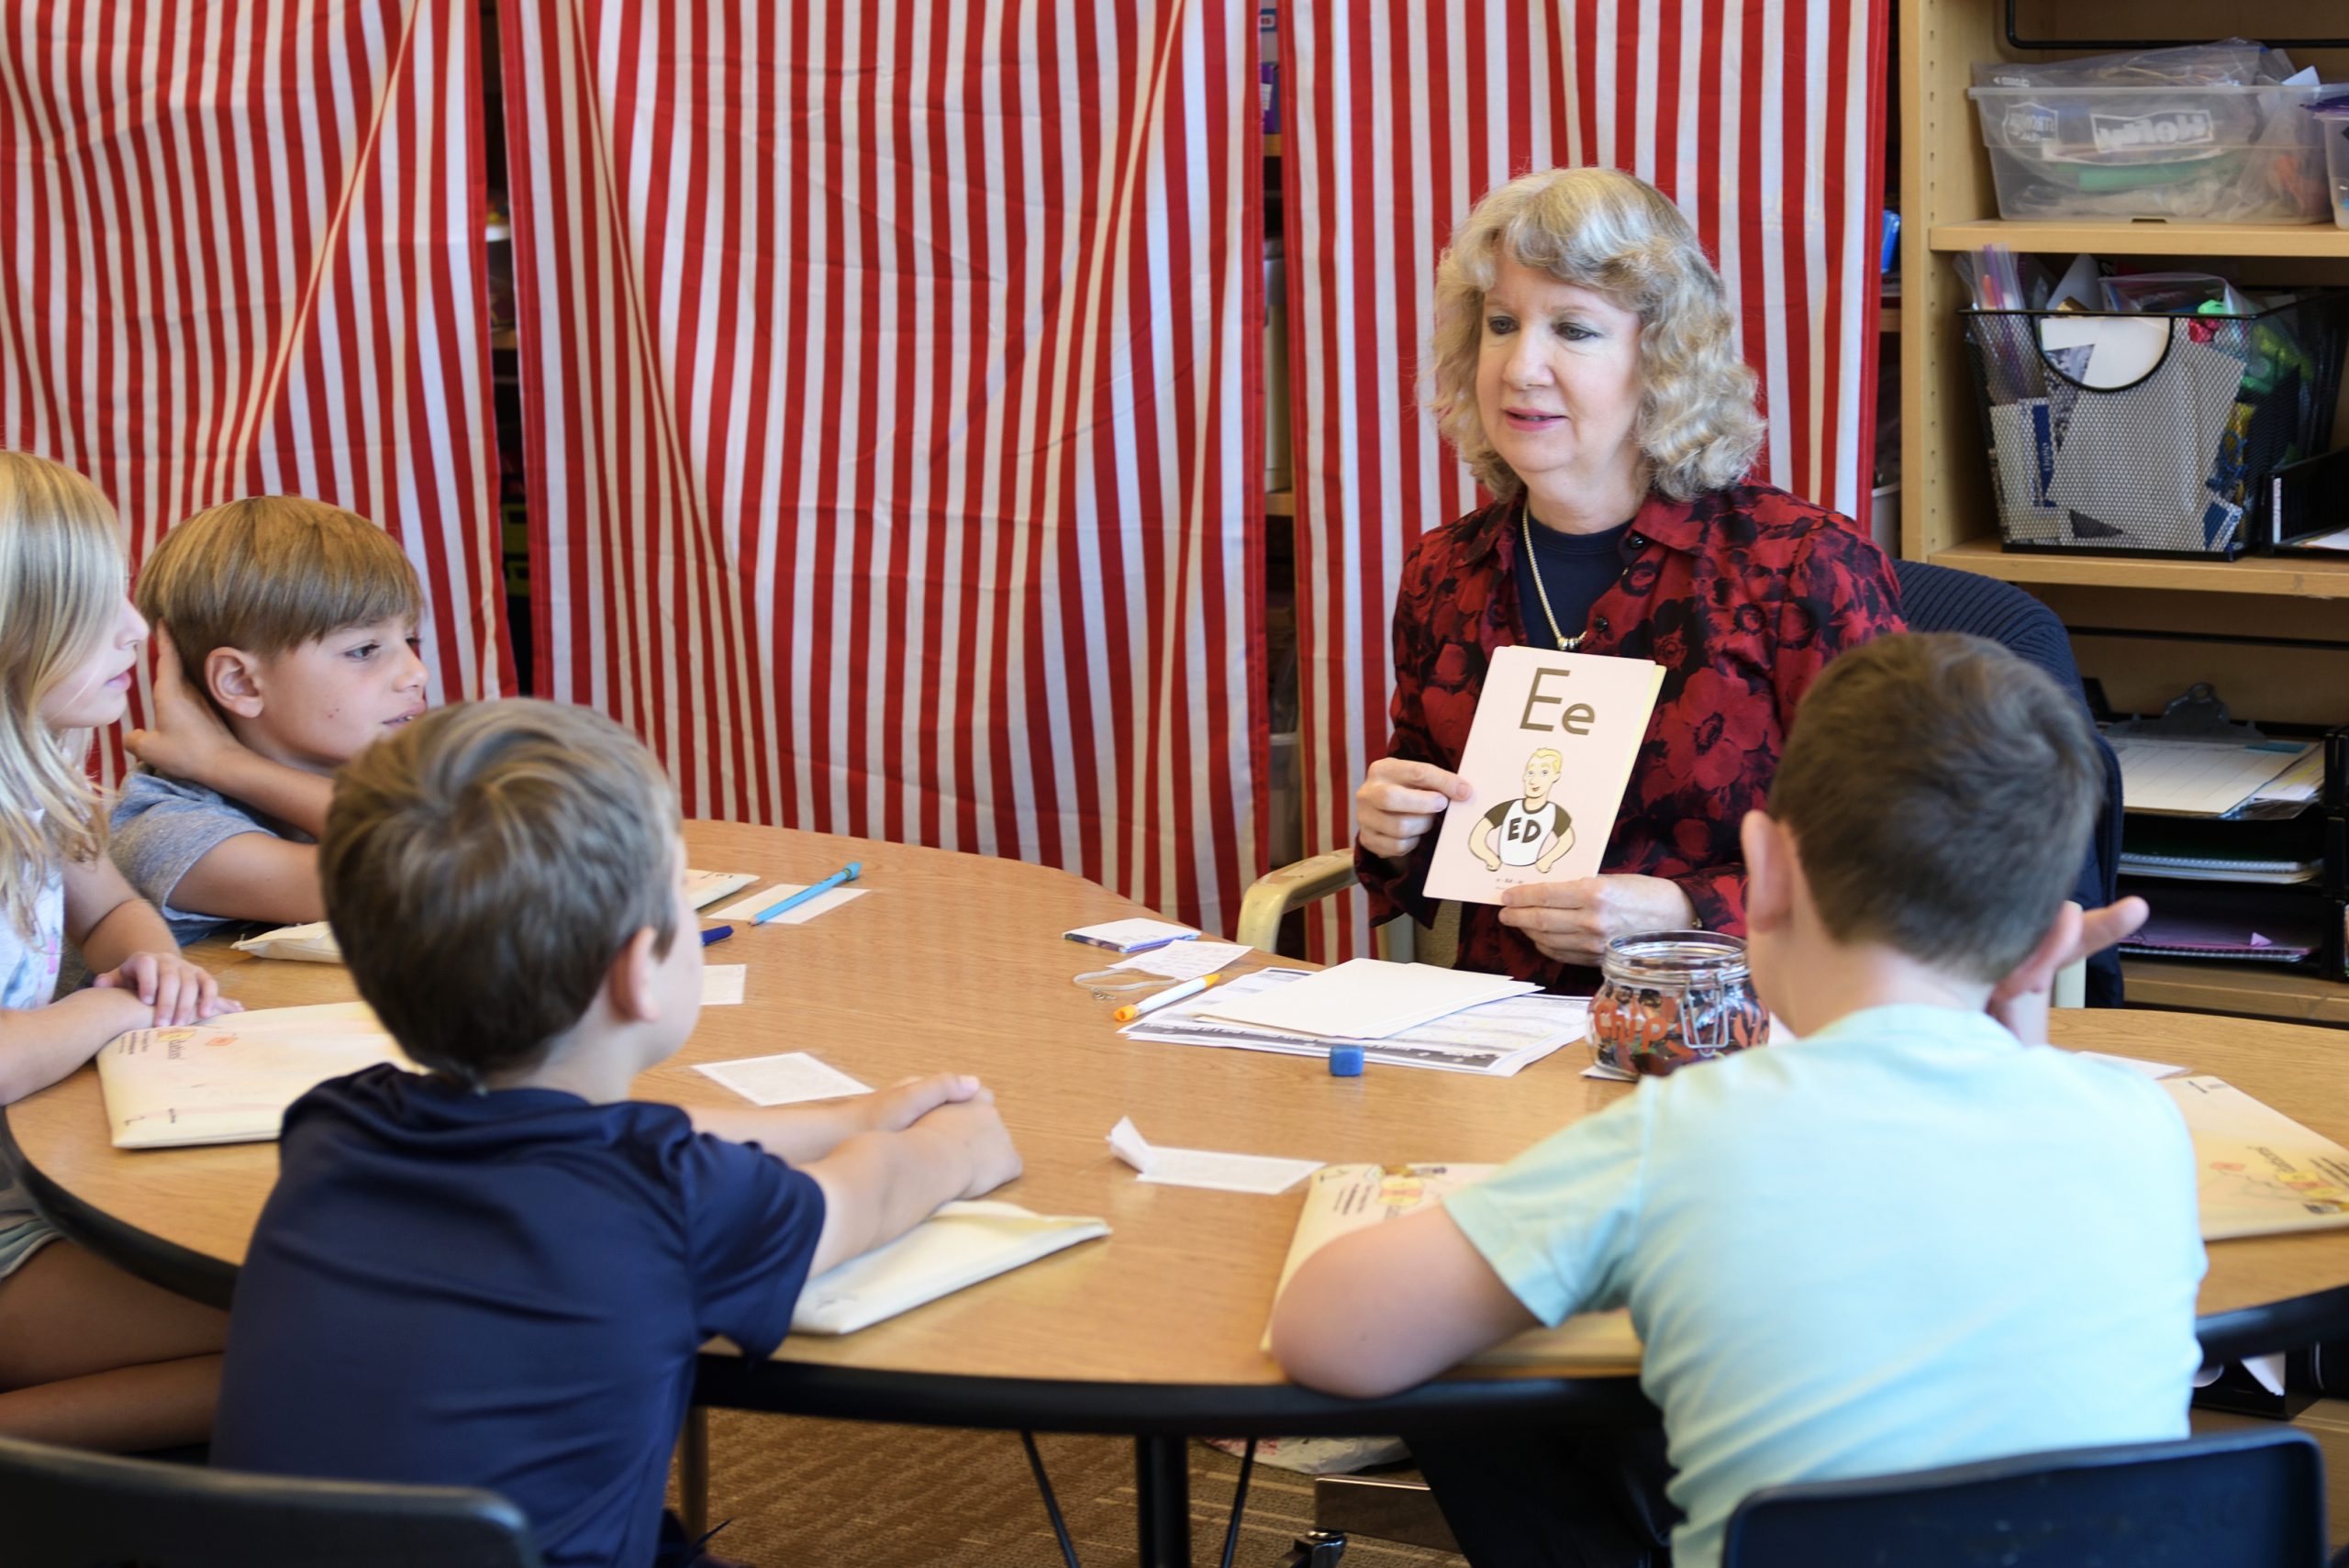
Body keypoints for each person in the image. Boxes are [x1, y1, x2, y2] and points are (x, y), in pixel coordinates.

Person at [1272, 633, 2191, 1568]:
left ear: (1767, 870)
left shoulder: (1685, 1135)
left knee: (1475, 1405)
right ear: (2044, 938)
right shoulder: (2141, 1125)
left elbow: (1329, 1335)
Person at [210, 699, 1022, 1568]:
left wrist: (838, 1118)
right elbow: (871, 1194)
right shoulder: (668, 1201)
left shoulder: (337, 1123)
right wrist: (958, 1145)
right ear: (640, 970)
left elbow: (604, 1136)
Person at [1353, 168, 1903, 986]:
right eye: (1501, 324)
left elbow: (1899, 861)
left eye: (1574, 330)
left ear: (1663, 359)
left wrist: (1688, 913)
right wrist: (1393, 829)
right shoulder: (1445, 572)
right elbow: (1447, 844)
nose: (1521, 367)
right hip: (1501, 1028)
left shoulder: (1803, 568)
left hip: (1740, 1022)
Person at [0, 450, 239, 1451]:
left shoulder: (37, 784)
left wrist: (154, 960)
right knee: (319, 1335)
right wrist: (113, 1006)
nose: (138, 632)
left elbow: (111, 911)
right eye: (99, 607)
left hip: (29, 1173)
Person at [108, 496, 429, 944]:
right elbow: (426, 873)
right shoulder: (166, 829)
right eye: (364, 650)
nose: (417, 673)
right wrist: (222, 764)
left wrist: (221, 761)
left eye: (411, 640)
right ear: (241, 682)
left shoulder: (383, 777)